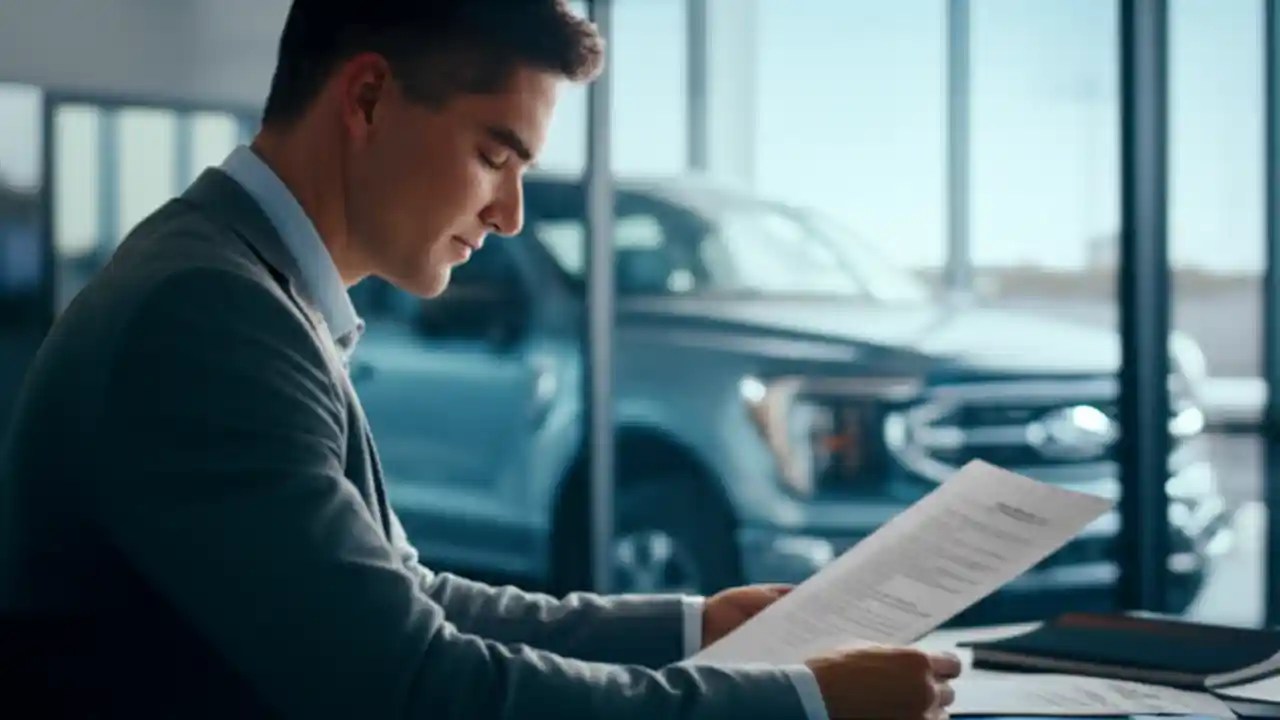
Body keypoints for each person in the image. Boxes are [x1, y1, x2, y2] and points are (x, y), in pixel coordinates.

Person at [0, 1, 961, 718]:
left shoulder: (239, 283)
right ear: (368, 98)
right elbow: (412, 687)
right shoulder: (209, 315)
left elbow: (410, 602)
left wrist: (694, 627)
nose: (509, 216)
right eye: (496, 157)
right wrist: (799, 705)